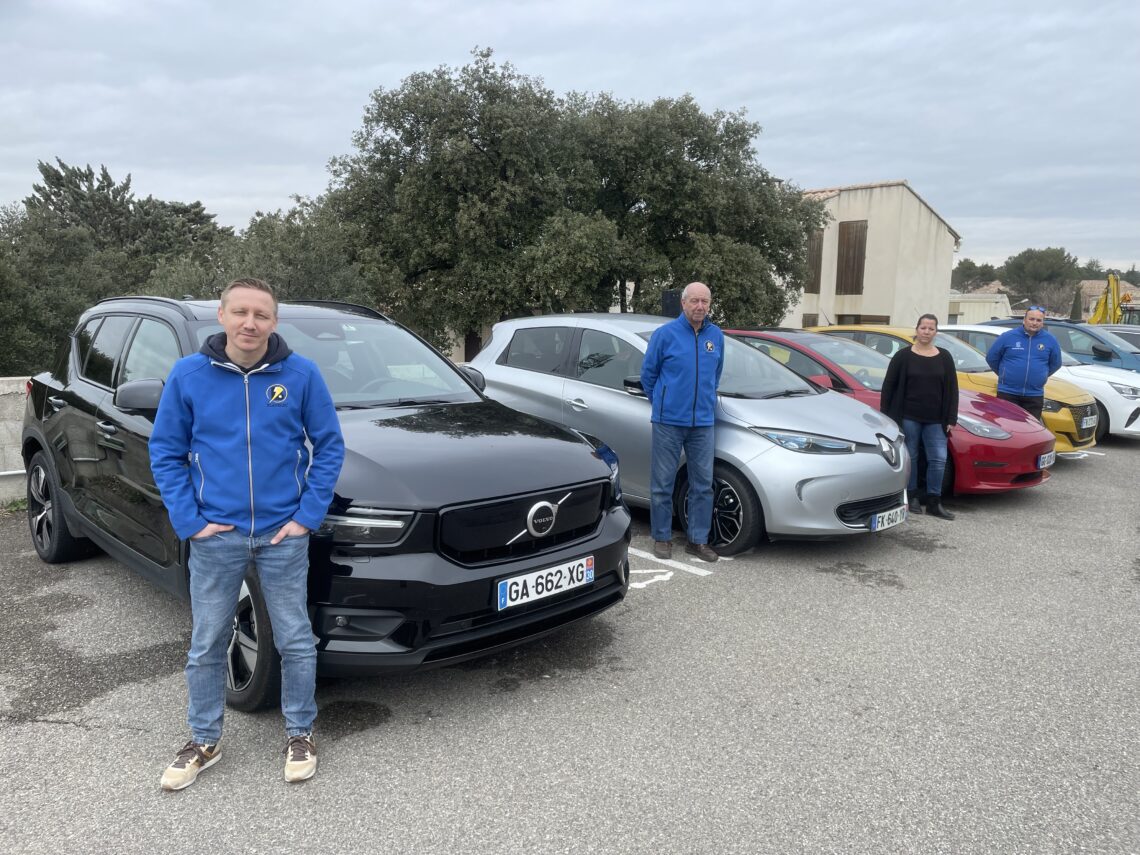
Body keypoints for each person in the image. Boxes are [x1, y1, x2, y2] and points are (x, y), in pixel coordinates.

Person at [150, 278, 345, 790]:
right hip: (218, 535)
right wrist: (192, 522)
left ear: (274, 322)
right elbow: (165, 452)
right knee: (207, 640)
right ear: (222, 315)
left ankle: (301, 732)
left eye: (261, 314)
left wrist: (306, 515)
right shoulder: (189, 375)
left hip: (285, 534)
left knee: (296, 638)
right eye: (240, 312)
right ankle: (203, 740)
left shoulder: (300, 374)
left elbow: (329, 446)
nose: (250, 323)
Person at [640, 282, 725, 562]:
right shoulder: (665, 335)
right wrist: (664, 403)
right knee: (662, 483)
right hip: (668, 422)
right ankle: (662, 537)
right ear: (683, 303)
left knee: (703, 485)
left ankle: (697, 541)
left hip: (702, 422)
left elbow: (716, 374)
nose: (700, 306)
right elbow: (648, 376)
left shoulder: (716, 336)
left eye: (705, 302)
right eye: (695, 301)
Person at [880, 313, 959, 520]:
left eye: (931, 328)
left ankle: (934, 501)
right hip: (908, 416)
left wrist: (951, 418)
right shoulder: (903, 356)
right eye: (923, 328)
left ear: (936, 332)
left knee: (938, 459)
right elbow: (889, 386)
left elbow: (952, 389)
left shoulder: (945, 357)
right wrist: (887, 416)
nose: (926, 332)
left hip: (936, 419)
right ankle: (912, 496)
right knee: (911, 457)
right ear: (917, 330)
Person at [984, 306, 1062, 421]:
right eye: (1031, 319)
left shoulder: (1050, 340)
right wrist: (1004, 374)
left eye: (1038, 320)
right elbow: (992, 358)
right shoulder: (1008, 337)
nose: (1034, 323)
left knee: (1031, 430)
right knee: (1007, 427)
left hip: (1034, 395)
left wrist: (1041, 376)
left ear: (1042, 323)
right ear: (1024, 320)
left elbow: (1056, 363)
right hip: (1008, 393)